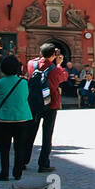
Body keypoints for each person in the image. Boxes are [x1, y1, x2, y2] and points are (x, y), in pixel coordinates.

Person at [23, 43, 68, 172]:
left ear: (40, 53)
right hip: (50, 103)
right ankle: (43, 163)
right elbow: (63, 77)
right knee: (47, 134)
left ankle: (23, 161)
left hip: (33, 102)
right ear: (54, 55)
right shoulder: (55, 69)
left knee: (30, 133)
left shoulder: (31, 64)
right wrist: (59, 64)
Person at [0, 55, 32, 181]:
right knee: (20, 147)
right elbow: (25, 98)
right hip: (22, 118)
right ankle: (17, 172)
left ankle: (4, 173)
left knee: (4, 148)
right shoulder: (24, 82)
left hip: (4, 118)